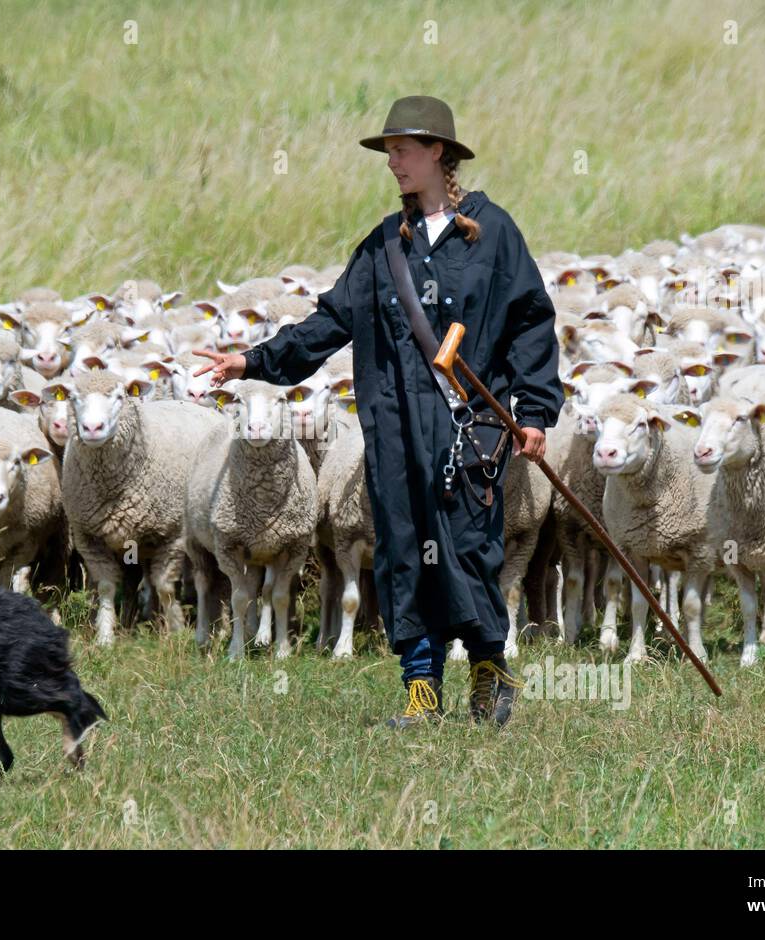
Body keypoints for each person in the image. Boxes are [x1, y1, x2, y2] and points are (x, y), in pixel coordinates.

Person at [193, 95, 563, 729]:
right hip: (393, 435)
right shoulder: (383, 248)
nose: (392, 162)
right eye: (388, 151)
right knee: (402, 551)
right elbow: (332, 321)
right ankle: (420, 689)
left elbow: (531, 320)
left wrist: (534, 411)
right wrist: (253, 363)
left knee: (471, 548)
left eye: (402, 150)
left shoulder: (494, 233)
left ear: (437, 152)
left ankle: (489, 674)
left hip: (468, 431)